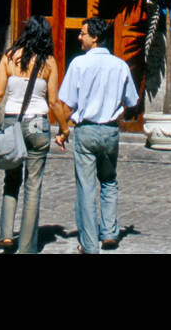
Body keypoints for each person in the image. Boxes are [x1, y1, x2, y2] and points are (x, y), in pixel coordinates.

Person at [0, 15, 68, 254]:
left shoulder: (9, 57)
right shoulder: (49, 62)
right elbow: (54, 101)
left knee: (10, 180)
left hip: (11, 122)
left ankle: (6, 235)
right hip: (37, 124)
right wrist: (65, 129)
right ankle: (27, 247)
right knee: (33, 186)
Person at [55, 15, 139, 255]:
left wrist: (62, 131)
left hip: (86, 130)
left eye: (83, 33)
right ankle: (110, 232)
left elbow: (66, 103)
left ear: (95, 37)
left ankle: (90, 244)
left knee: (86, 187)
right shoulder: (120, 65)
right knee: (109, 180)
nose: (79, 36)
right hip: (111, 130)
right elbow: (132, 100)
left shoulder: (79, 64)